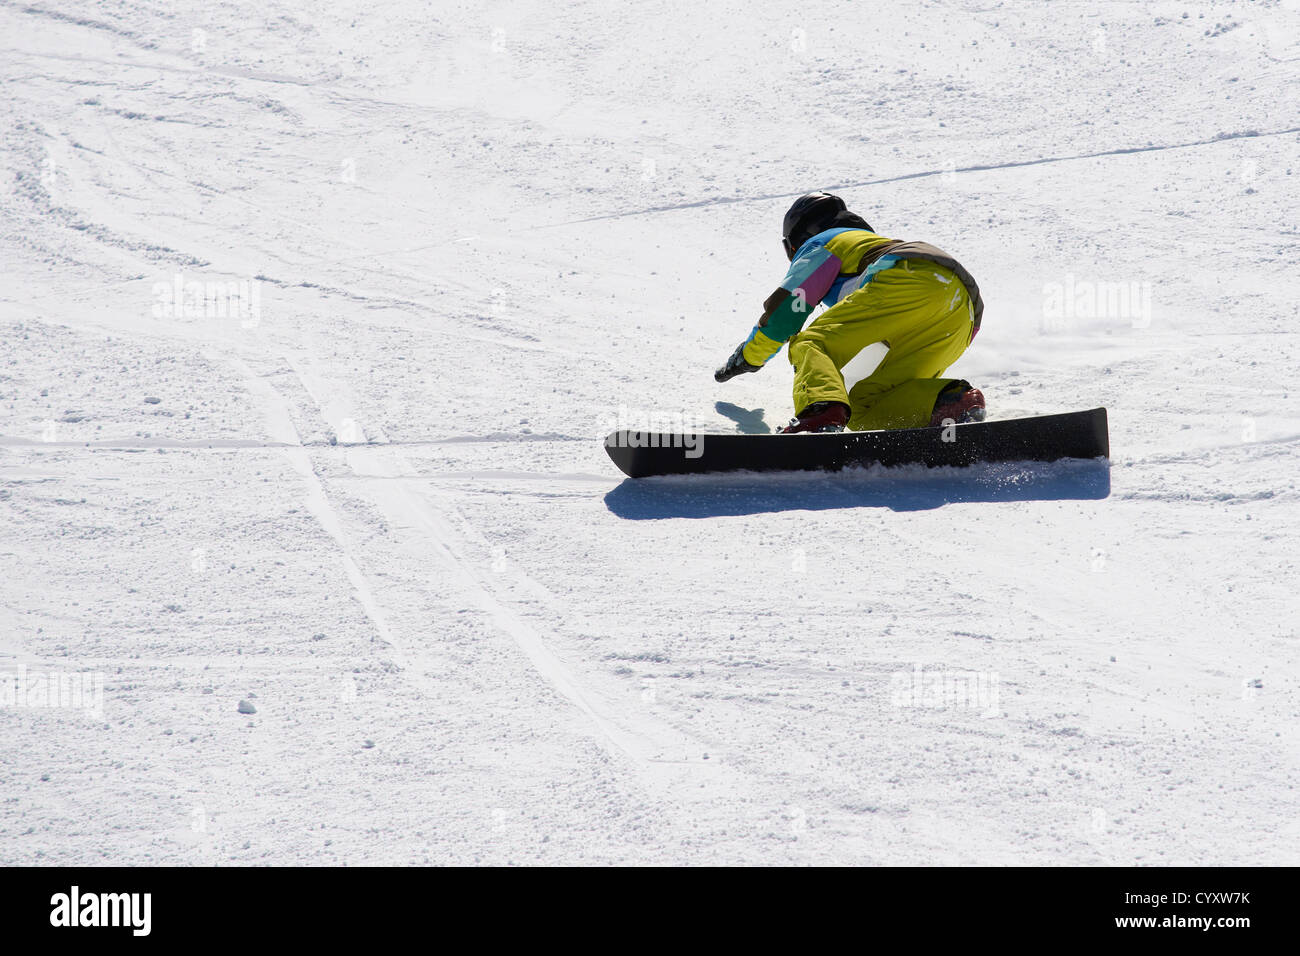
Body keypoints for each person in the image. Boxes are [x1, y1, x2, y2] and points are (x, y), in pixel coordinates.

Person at [715, 192, 986, 434]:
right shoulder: (865, 244)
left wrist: (749, 356)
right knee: (867, 405)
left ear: (795, 242)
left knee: (812, 343)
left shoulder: (824, 241)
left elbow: (787, 312)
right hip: (963, 314)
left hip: (910, 276)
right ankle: (950, 404)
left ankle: (820, 414)